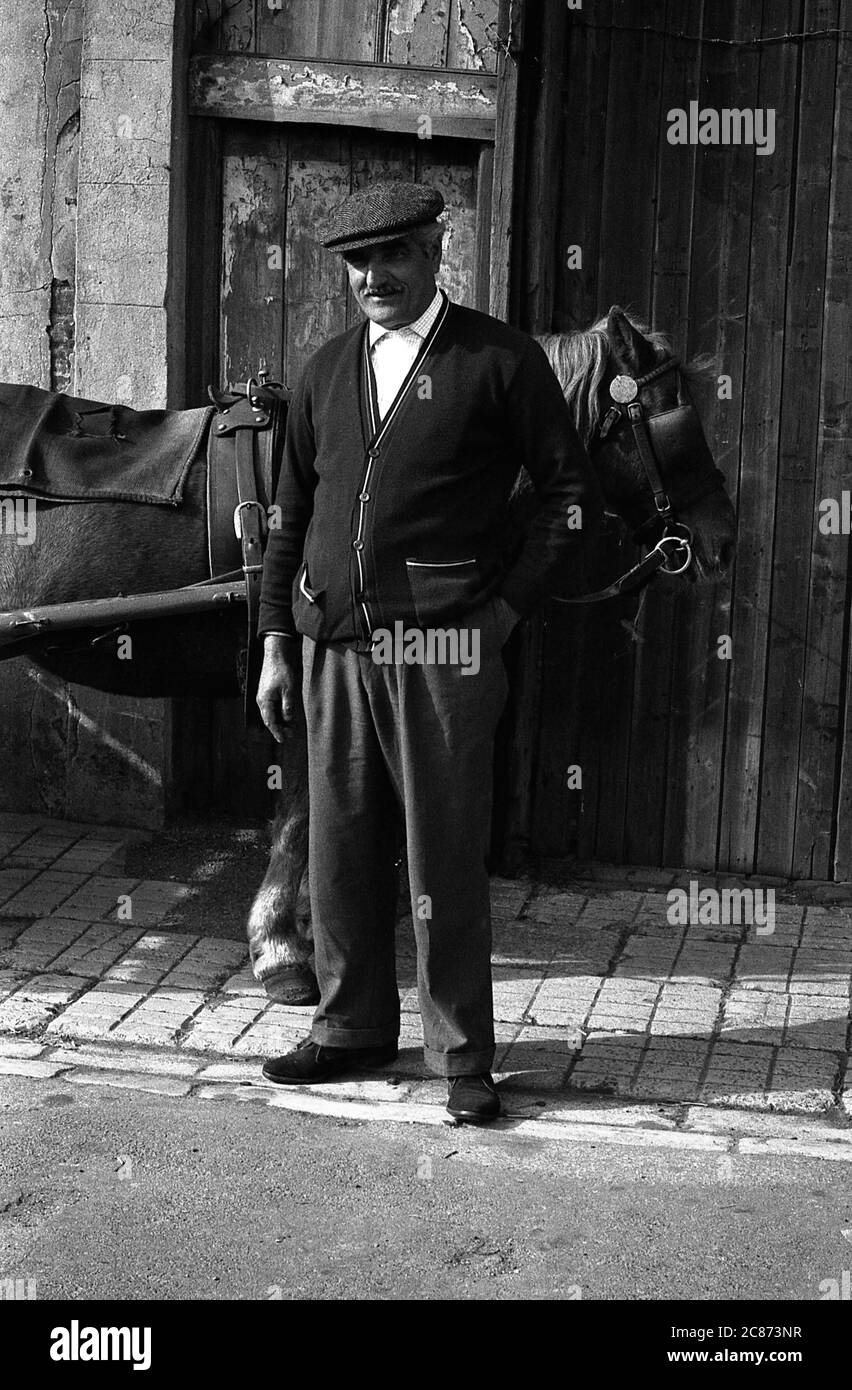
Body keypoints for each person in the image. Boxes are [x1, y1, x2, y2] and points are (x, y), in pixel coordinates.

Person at [255, 180, 602, 1123]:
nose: (374, 276)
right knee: (337, 850)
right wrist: (277, 642)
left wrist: (504, 615)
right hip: (332, 650)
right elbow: (289, 521)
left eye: (392, 256)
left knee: (441, 861)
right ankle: (350, 1028)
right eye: (357, 263)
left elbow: (569, 497)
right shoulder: (324, 369)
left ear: (434, 252)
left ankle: (462, 1058)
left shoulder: (498, 360)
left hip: (444, 647)